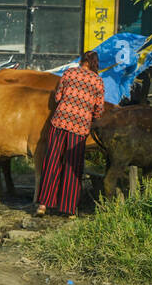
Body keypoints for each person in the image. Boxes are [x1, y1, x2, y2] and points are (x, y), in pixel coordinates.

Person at [36, 51, 106, 218]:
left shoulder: (69, 73)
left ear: (82, 61)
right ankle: (68, 209)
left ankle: (43, 205)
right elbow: (99, 110)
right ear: (95, 64)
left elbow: (58, 97)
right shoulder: (97, 81)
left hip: (59, 123)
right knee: (72, 166)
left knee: (52, 161)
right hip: (79, 128)